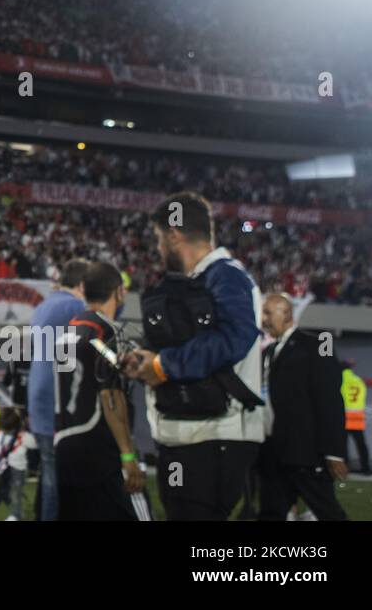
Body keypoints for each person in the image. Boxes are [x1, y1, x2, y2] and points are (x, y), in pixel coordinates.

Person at [124, 192, 264, 522]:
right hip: (189, 436)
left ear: (175, 234)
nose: (158, 249)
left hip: (216, 437)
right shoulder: (201, 281)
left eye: (160, 238)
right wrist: (148, 361)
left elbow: (234, 337)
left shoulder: (226, 275)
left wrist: (163, 364)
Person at [54, 261, 145, 521]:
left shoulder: (68, 332)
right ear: (118, 292)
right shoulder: (106, 332)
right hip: (98, 447)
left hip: (64, 446)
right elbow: (110, 396)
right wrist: (128, 455)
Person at [257, 293, 347, 520]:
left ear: (286, 313)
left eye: (268, 312)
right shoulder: (268, 352)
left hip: (306, 453)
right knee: (271, 512)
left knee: (327, 512)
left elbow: (330, 401)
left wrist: (334, 451)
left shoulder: (317, 345)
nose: (263, 319)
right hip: (274, 451)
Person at [26, 258, 90, 520]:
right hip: (59, 400)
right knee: (69, 477)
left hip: (38, 398)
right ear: (83, 284)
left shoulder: (42, 307)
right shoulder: (75, 306)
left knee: (50, 473)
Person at [0, 406, 32, 520]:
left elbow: (33, 443)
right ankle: (17, 511)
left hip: (19, 469)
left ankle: (15, 514)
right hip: (5, 469)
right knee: (7, 492)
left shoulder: (22, 436)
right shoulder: (1, 436)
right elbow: (1, 448)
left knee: (15, 492)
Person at [340, 361, 369, 474]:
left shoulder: (340, 380)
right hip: (357, 418)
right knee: (361, 445)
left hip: (343, 418)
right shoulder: (358, 380)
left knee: (342, 446)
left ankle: (344, 469)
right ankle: (366, 469)